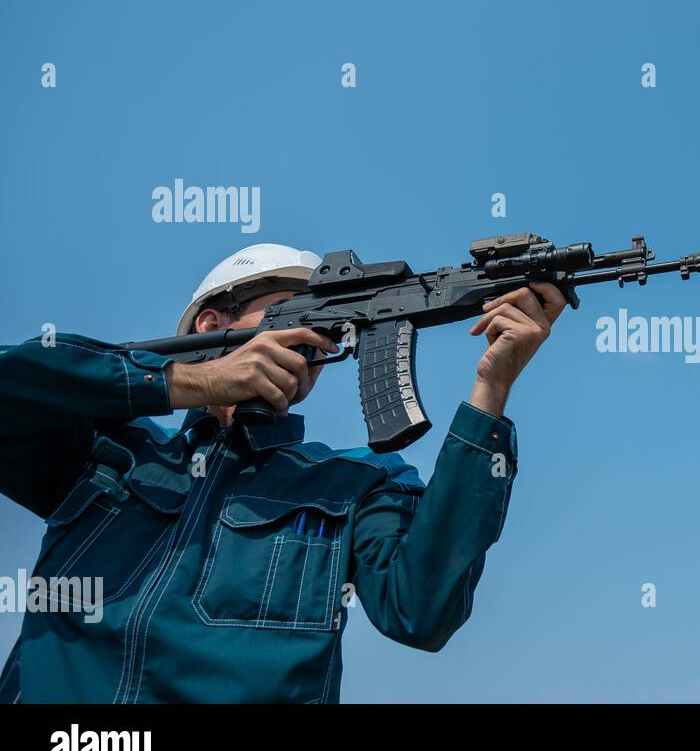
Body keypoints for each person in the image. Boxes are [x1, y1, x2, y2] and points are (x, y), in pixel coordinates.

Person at [0, 243, 564, 703]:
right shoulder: (109, 454)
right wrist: (193, 382)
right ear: (210, 325)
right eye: (294, 321)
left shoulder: (355, 483)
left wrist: (490, 393)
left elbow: (420, 611)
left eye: (327, 338)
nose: (311, 352)